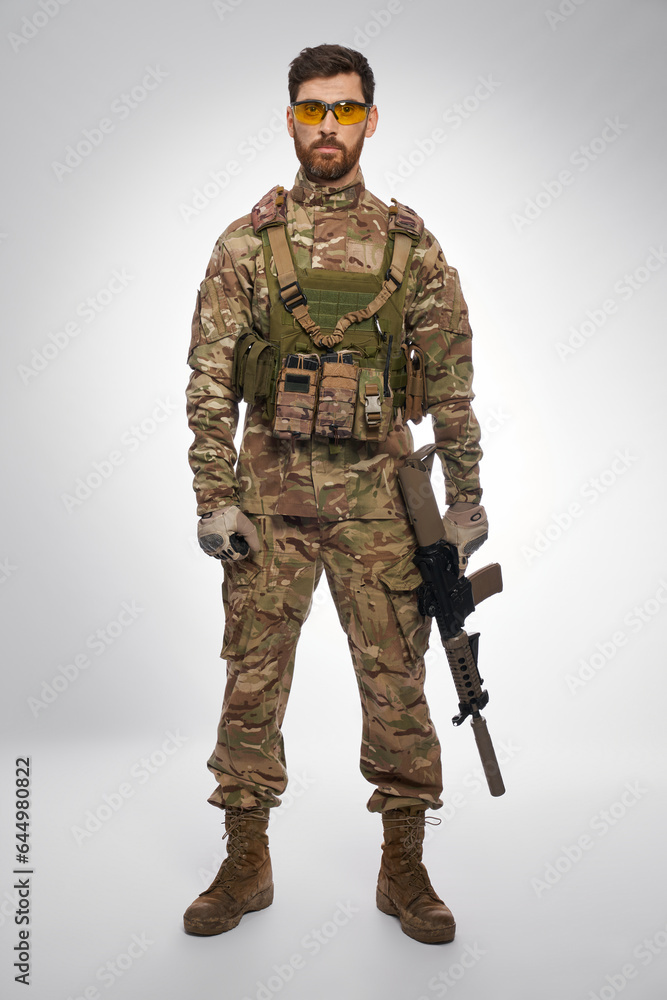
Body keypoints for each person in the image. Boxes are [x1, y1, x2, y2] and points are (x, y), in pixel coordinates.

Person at [183, 44, 487, 945]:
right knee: (251, 684)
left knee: (397, 684)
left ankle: (404, 866)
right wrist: (213, 497)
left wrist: (465, 501)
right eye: (312, 109)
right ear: (289, 118)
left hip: (383, 504)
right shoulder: (245, 243)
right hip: (269, 501)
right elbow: (209, 383)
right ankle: (246, 858)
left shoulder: (411, 245)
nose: (328, 126)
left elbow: (454, 382)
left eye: (344, 110)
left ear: (369, 120)